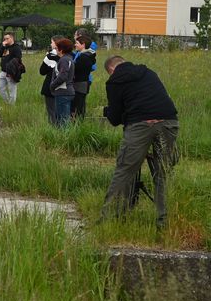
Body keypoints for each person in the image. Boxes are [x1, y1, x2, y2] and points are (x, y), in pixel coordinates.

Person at [99, 55, 179, 230]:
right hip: (169, 122)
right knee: (163, 173)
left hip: (139, 125)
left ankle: (109, 217)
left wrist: (108, 111)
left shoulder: (114, 82)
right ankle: (164, 223)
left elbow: (114, 118)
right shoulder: (148, 72)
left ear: (111, 70)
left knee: (125, 171)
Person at [49, 37, 75, 126]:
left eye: (56, 48)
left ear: (61, 49)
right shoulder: (68, 59)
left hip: (63, 92)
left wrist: (52, 85)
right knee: (62, 118)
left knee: (62, 120)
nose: (55, 50)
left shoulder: (64, 60)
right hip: (65, 92)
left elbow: (63, 76)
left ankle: (64, 138)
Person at [38, 36, 63, 125]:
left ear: (56, 44)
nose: (50, 44)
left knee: (51, 111)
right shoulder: (69, 56)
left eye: (52, 42)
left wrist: (48, 62)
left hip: (50, 86)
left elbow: (42, 71)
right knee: (62, 111)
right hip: (64, 88)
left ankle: (53, 129)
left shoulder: (50, 57)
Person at [71, 34, 96, 119]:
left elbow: (75, 70)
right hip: (83, 84)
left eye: (77, 43)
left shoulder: (83, 57)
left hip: (79, 85)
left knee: (78, 108)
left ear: (83, 44)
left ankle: (77, 125)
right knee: (80, 106)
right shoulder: (88, 55)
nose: (75, 45)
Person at [0, 32, 22, 104]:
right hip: (3, 71)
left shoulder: (16, 47)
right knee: (0, 87)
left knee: (12, 91)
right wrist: (2, 46)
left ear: (12, 38)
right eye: (4, 39)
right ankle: (7, 103)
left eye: (7, 38)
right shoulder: (5, 47)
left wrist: (12, 67)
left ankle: (11, 106)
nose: (5, 40)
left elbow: (18, 58)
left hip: (11, 72)